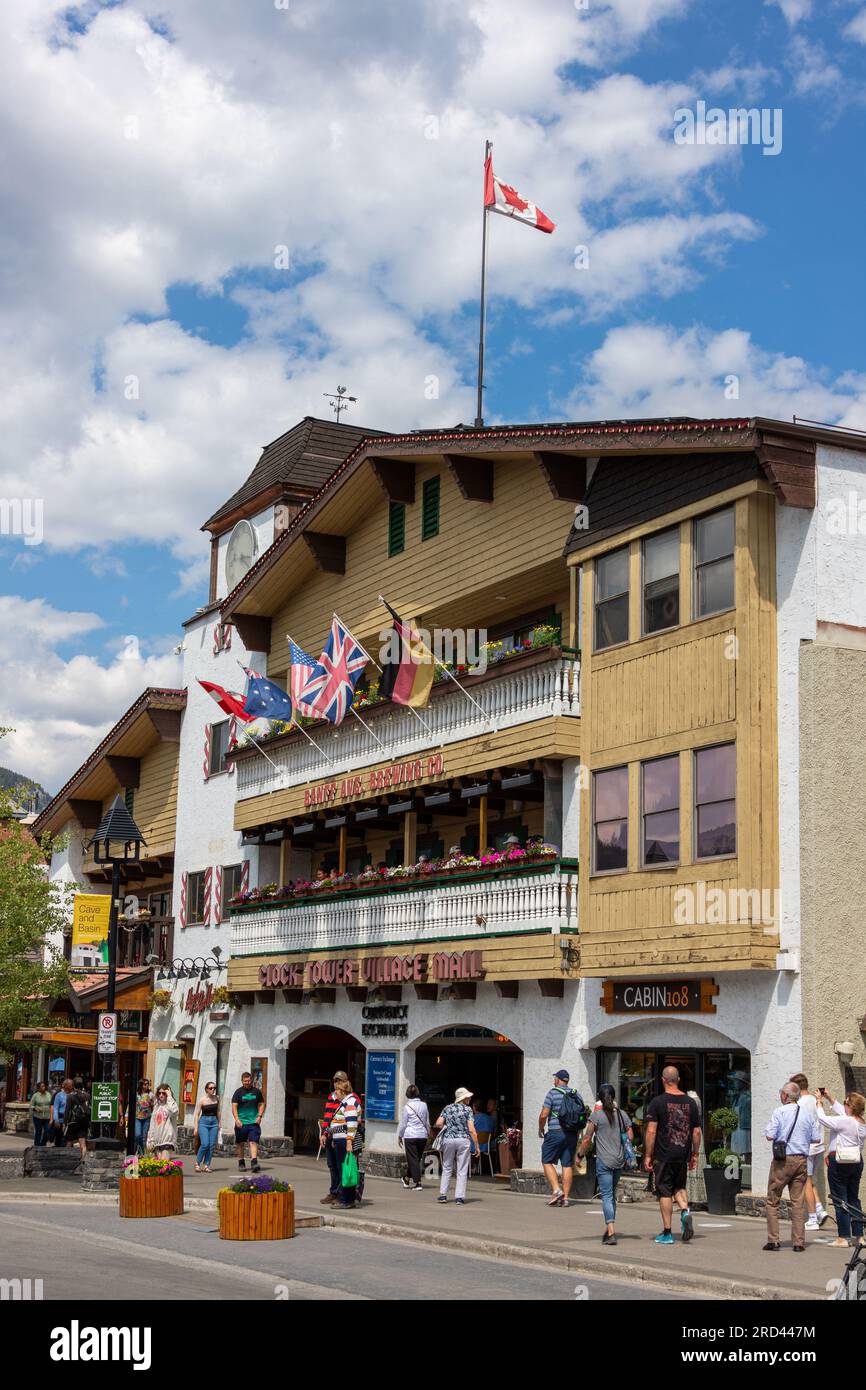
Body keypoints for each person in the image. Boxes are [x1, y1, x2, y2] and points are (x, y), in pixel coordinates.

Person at [644, 1065, 701, 1244]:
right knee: (679, 1186)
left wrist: (647, 1155)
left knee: (664, 1191)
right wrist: (695, 1154)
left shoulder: (657, 1102)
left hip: (664, 1154)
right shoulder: (690, 1103)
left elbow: (651, 1131)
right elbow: (697, 1132)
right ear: (678, 1080)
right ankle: (684, 1210)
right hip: (682, 1154)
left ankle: (667, 1232)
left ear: (663, 1080)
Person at [763, 1079, 819, 1252]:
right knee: (797, 1202)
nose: (780, 1095)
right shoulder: (807, 1114)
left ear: (786, 1095)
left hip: (783, 1160)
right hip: (801, 1159)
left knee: (773, 1200)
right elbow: (816, 1138)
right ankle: (798, 1243)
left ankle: (774, 1241)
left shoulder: (779, 1112)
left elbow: (769, 1135)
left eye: (781, 1093)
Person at [578, 1083, 634, 1246]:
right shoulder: (622, 1115)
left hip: (603, 1161)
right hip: (618, 1161)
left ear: (600, 1099)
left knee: (607, 1196)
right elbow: (630, 1136)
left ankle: (611, 1232)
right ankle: (609, 1228)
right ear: (614, 1097)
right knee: (612, 1194)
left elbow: (587, 1138)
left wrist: (580, 1155)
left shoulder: (596, 1116)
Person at [814, 1087, 865, 1248]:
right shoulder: (861, 1123)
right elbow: (843, 1115)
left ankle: (843, 1237)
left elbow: (823, 1119)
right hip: (856, 1162)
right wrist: (830, 1098)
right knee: (853, 1198)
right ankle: (859, 1236)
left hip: (840, 1162)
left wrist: (819, 1103)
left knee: (839, 1198)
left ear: (851, 1107)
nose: (844, 1105)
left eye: (846, 1103)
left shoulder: (846, 1121)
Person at [789, 1072, 829, 1231]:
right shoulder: (814, 1100)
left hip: (808, 1148)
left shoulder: (800, 1104)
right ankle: (819, 1209)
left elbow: (800, 1127)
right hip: (819, 1146)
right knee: (810, 1180)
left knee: (805, 1182)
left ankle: (813, 1218)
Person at [539, 1068, 583, 1208]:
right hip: (571, 1134)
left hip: (556, 1132)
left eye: (555, 1078)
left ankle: (557, 1190)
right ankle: (566, 1198)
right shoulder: (576, 1094)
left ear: (558, 1080)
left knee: (546, 1160)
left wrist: (541, 1128)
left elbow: (544, 1114)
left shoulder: (552, 1093)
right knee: (567, 1164)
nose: (554, 1080)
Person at [435, 1087, 480, 1205]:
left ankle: (443, 1195)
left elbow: (438, 1123)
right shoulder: (468, 1110)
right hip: (463, 1140)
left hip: (449, 1139)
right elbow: (471, 1129)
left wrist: (448, 1127)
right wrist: (477, 1145)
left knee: (447, 1167)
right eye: (468, 1097)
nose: (470, 1098)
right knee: (462, 1169)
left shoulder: (447, 1108)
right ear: (463, 1098)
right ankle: (459, 1197)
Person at [327, 1077, 361, 1209]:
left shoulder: (350, 1102)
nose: (335, 1094)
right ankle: (347, 1198)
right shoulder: (346, 1102)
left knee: (345, 1170)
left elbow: (352, 1124)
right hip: (340, 1140)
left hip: (344, 1141)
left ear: (342, 1091)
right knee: (344, 1169)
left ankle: (346, 1199)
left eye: (337, 1091)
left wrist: (348, 1142)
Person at [320, 1071, 350, 1205]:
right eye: (335, 1081)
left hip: (342, 1137)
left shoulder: (349, 1099)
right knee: (332, 1166)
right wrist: (324, 1133)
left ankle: (340, 1193)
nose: (336, 1083)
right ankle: (333, 1191)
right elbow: (327, 1117)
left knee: (341, 1166)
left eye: (339, 1081)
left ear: (344, 1082)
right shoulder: (331, 1097)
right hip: (330, 1135)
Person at [231, 1071, 265, 1172]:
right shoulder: (238, 1092)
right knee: (240, 1143)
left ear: (251, 1080)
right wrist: (237, 1119)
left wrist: (259, 1116)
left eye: (249, 1080)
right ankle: (241, 1163)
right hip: (241, 1123)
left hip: (253, 1122)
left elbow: (262, 1103)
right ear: (242, 1081)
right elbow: (234, 1106)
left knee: (253, 1142)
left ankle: (254, 1163)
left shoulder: (257, 1092)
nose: (247, 1082)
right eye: (245, 1081)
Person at [398, 1084, 430, 1190]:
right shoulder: (424, 1105)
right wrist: (428, 1133)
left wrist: (400, 1135)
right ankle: (406, 1178)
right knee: (416, 1159)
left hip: (410, 1135)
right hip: (422, 1135)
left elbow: (403, 1124)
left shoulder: (407, 1107)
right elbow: (427, 1122)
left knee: (413, 1159)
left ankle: (418, 1182)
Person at [193, 1081, 221, 1173]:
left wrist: (219, 1122)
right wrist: (196, 1128)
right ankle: (197, 1163)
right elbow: (197, 1114)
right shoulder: (202, 1100)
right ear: (206, 1089)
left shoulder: (217, 1098)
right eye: (211, 1088)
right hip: (203, 1122)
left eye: (214, 1088)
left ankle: (206, 1165)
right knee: (205, 1144)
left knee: (211, 1145)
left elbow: (218, 1111)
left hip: (214, 1123)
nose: (213, 1090)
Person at [146, 1084, 179, 1158]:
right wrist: (150, 1139)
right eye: (159, 1093)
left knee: (164, 1165)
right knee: (159, 1167)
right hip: (157, 1141)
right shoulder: (157, 1106)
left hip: (167, 1139)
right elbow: (152, 1124)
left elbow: (174, 1111)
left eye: (164, 1093)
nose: (161, 1095)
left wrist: (170, 1097)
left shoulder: (171, 1105)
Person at [63, 1079, 91, 1157]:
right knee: (83, 1143)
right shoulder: (87, 1095)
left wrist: (65, 1122)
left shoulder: (70, 1096)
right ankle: (83, 1160)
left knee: (69, 1141)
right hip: (83, 1122)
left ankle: (67, 1159)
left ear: (73, 1085)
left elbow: (67, 1111)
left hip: (73, 1122)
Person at [133, 1079, 154, 1156]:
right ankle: (136, 1150)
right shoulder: (137, 1094)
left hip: (147, 1117)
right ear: (141, 1085)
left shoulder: (151, 1094)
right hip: (137, 1117)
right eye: (145, 1084)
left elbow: (154, 1104)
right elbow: (132, 1104)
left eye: (147, 1084)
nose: (147, 1086)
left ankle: (142, 1154)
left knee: (144, 1137)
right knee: (137, 1135)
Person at [30, 1080, 53, 1146]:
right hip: (37, 1116)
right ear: (38, 1088)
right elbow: (31, 1105)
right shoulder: (35, 1095)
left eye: (44, 1086)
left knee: (47, 1130)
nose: (44, 1087)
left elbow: (51, 1104)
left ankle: (43, 1143)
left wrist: (52, 1114)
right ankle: (37, 1145)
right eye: (42, 1086)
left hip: (47, 1116)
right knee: (38, 1131)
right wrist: (35, 1108)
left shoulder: (48, 1094)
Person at [52, 1078, 72, 1147]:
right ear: (66, 1086)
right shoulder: (59, 1095)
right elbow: (55, 1108)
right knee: (59, 1139)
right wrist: (56, 1120)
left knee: (68, 1139)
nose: (72, 1086)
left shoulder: (73, 1095)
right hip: (61, 1119)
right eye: (71, 1085)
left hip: (70, 1120)